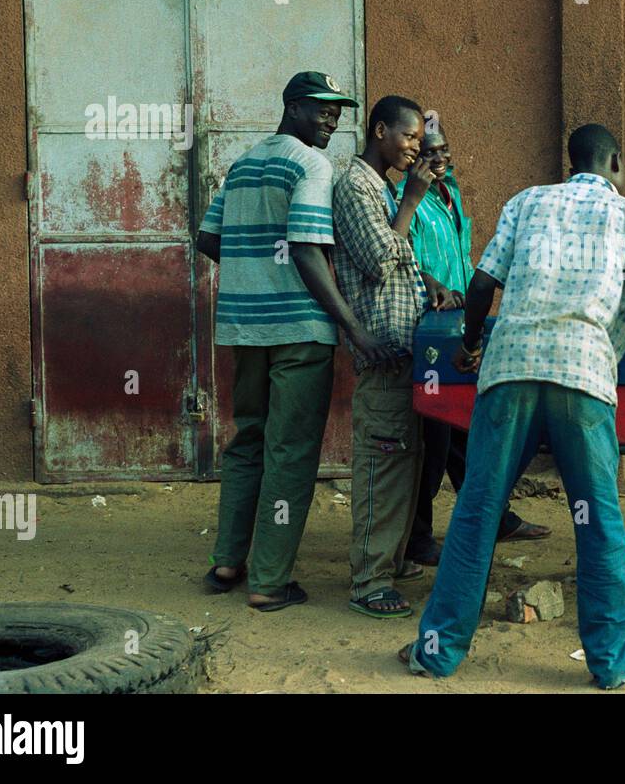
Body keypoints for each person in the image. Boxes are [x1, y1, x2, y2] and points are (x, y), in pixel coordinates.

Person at [399, 124, 625, 689]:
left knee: (477, 509)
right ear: (616, 163)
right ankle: (615, 665)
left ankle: (437, 651)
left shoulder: (526, 201)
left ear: (569, 161)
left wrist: (472, 343)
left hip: (509, 370)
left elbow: (481, 286)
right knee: (597, 518)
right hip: (581, 375)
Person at [197, 71, 392, 611]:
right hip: (299, 331)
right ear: (292, 108)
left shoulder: (243, 164)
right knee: (291, 452)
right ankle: (268, 580)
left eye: (338, 110)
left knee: (249, 442)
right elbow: (308, 250)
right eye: (322, 109)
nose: (332, 119)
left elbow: (207, 236)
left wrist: (253, 272)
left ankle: (227, 561)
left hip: (245, 326)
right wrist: (352, 325)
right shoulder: (311, 165)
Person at [399, 121, 550, 567]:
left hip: (459, 324)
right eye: (429, 153)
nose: (439, 160)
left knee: (465, 431)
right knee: (434, 436)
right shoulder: (404, 200)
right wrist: (433, 284)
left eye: (444, 151)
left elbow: (464, 259)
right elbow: (400, 255)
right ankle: (417, 538)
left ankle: (494, 516)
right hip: (427, 326)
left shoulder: (451, 196)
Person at [332, 94, 457, 620]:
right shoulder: (357, 187)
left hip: (406, 349)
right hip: (382, 354)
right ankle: (368, 580)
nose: (415, 147)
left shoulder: (382, 186)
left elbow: (400, 257)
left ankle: (393, 558)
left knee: (407, 463)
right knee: (382, 467)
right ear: (379, 131)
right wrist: (412, 198)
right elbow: (381, 258)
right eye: (408, 136)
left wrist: (430, 284)